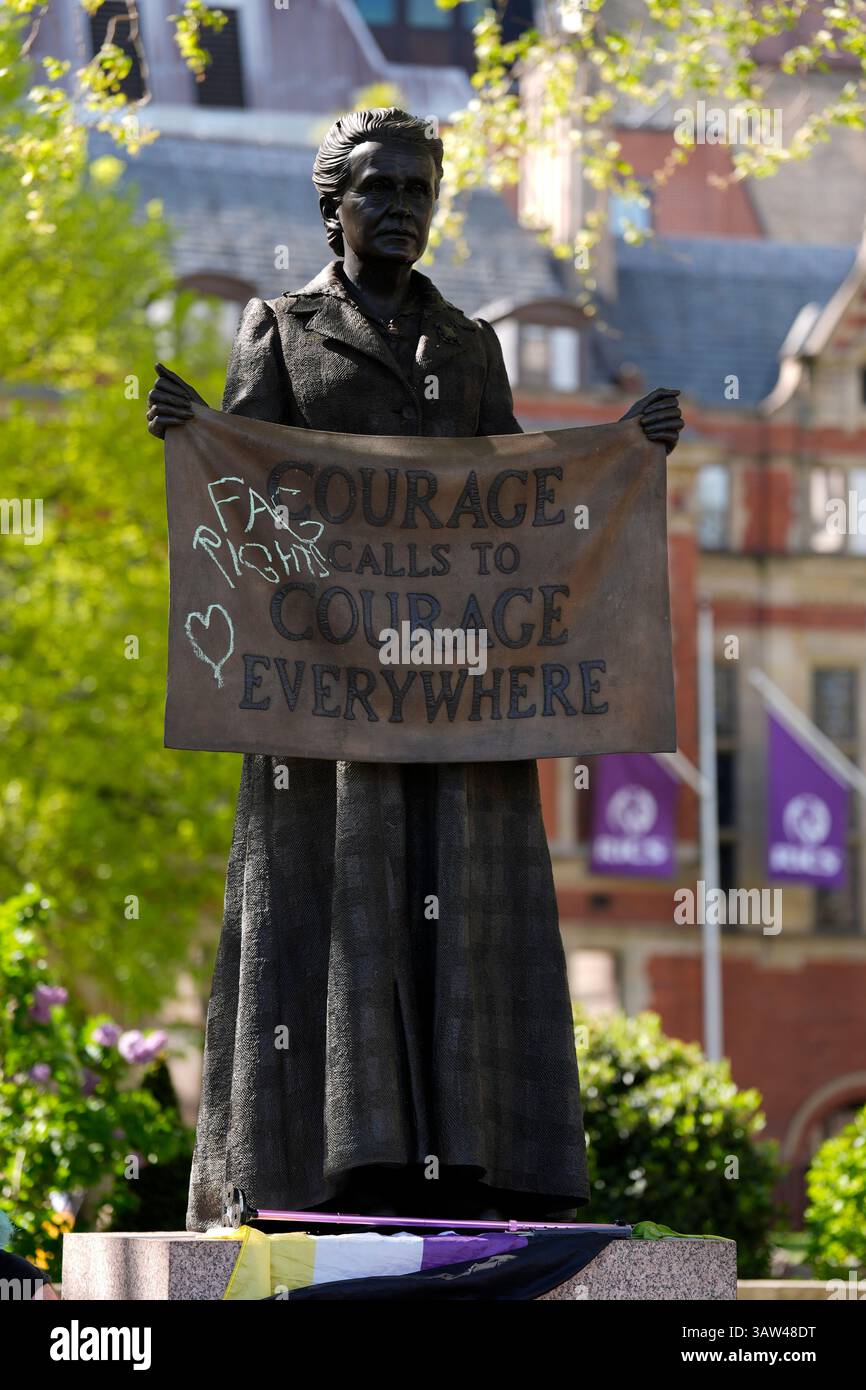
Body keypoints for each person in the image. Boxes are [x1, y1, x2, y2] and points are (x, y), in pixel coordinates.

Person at [147, 108, 684, 1230]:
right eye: (378, 188)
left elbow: (516, 507)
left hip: (453, 701)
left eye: (418, 189)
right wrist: (191, 434)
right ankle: (323, 1165)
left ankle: (473, 1158)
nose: (401, 208)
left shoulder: (469, 344)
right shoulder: (279, 330)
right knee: (334, 914)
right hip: (328, 710)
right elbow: (241, 506)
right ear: (331, 204)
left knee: (460, 911)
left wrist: (624, 452)